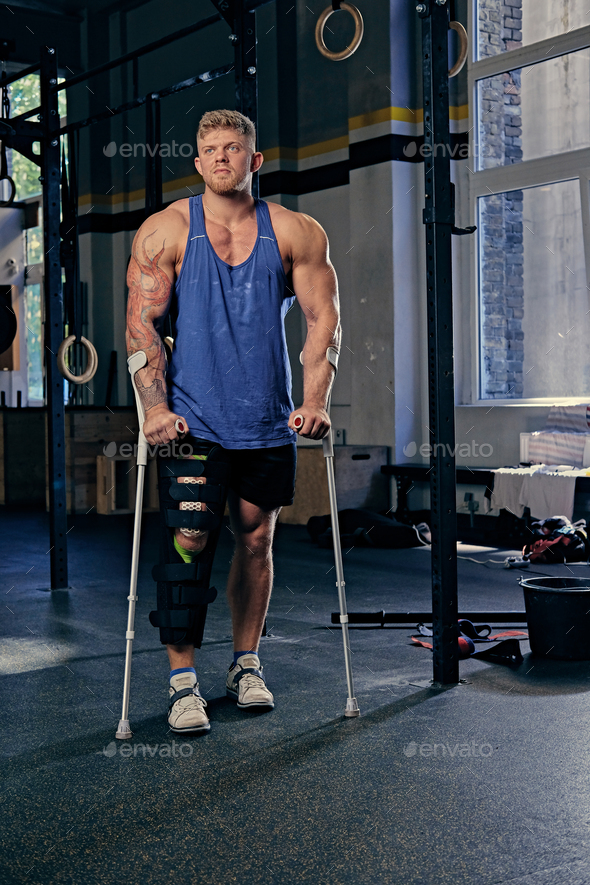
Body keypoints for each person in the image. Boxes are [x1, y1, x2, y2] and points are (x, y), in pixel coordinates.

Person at [125, 109, 340, 734]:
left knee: (256, 540)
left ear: (256, 160)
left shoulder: (298, 232)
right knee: (188, 544)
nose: (223, 157)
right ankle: (183, 680)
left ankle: (246, 663)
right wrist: (155, 408)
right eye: (211, 149)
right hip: (192, 423)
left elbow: (323, 324)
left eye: (234, 148)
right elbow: (143, 327)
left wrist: (317, 399)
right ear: (197, 163)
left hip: (268, 422)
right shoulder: (164, 232)